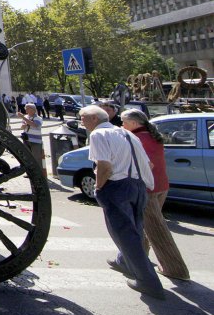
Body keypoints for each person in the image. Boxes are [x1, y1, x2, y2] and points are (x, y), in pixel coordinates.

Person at [81, 104, 165, 299]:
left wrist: (99, 187)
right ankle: (124, 262)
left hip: (116, 187)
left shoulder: (98, 135)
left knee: (125, 235)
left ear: (94, 118)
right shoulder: (128, 134)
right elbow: (149, 164)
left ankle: (148, 282)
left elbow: (104, 166)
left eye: (83, 118)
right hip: (138, 187)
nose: (81, 122)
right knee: (134, 231)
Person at [120, 109, 190, 281]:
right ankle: (129, 259)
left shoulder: (136, 139)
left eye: (124, 122)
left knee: (157, 230)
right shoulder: (152, 135)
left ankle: (175, 269)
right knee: (145, 226)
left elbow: (147, 165)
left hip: (148, 190)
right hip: (160, 186)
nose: (122, 125)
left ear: (134, 123)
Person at [19, 103, 45, 175]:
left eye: (27, 108)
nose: (26, 109)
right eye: (26, 108)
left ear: (33, 109)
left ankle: (38, 174)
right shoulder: (26, 117)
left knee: (36, 158)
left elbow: (35, 125)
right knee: (27, 157)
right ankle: (30, 173)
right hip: (27, 140)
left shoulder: (38, 118)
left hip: (35, 141)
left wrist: (23, 118)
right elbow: (22, 127)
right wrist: (23, 126)